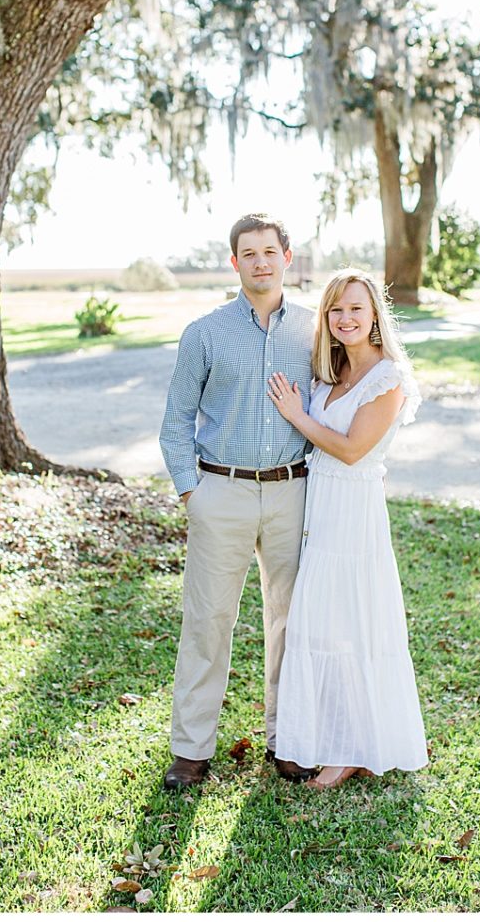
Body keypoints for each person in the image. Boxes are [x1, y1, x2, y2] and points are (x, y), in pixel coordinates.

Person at [157, 212, 317, 790]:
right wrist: (191, 491)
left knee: (291, 620)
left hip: (292, 489)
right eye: (248, 253)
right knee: (208, 621)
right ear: (234, 263)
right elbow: (176, 421)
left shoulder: (314, 330)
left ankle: (287, 740)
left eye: (269, 251)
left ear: (286, 258)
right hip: (220, 490)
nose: (260, 262)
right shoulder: (204, 333)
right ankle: (191, 749)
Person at [267, 269, 429, 787]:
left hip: (354, 514)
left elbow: (353, 450)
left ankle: (354, 749)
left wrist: (296, 415)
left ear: (375, 314)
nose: (345, 318)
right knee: (319, 623)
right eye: (335, 309)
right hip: (322, 508)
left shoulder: (388, 378)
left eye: (356, 308)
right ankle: (327, 735)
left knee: (352, 624)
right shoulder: (331, 373)